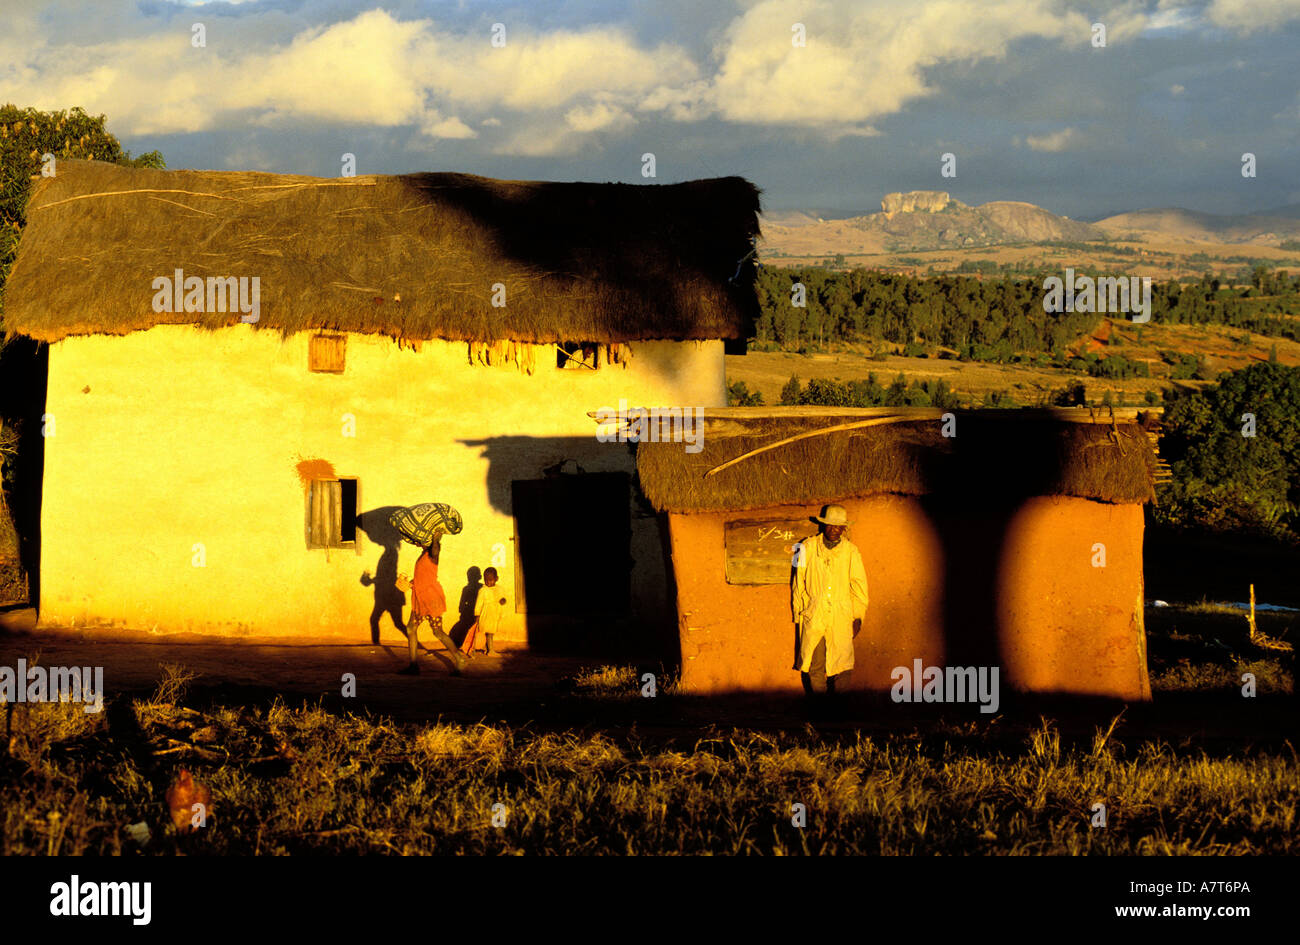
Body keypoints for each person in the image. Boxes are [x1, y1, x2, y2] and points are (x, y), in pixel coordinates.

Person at [791, 504, 868, 697]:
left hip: (841, 614)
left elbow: (859, 586)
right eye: (831, 525)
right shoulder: (805, 548)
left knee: (841, 663)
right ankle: (820, 710)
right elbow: (797, 583)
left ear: (844, 529)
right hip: (814, 612)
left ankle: (839, 710)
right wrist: (799, 614)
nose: (834, 530)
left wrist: (858, 616)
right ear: (823, 525)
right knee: (814, 664)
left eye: (839, 526)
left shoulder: (851, 551)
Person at [401, 536, 468, 676]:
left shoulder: (432, 553)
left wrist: (436, 538)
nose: (416, 542)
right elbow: (424, 576)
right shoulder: (424, 554)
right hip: (421, 599)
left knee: (437, 631)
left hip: (431, 599)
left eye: (418, 539)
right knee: (411, 628)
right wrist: (412, 583)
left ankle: (460, 659)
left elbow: (436, 550)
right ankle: (413, 665)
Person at [466, 567, 507, 656]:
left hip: (495, 614)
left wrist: (503, 600)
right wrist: (477, 614)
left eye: (491, 580)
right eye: (486, 580)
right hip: (486, 614)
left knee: (490, 632)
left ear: (496, 579)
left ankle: (487, 648)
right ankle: (490, 651)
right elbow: (478, 603)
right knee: (488, 632)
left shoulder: (500, 589)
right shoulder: (483, 590)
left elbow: (503, 598)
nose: (488, 582)